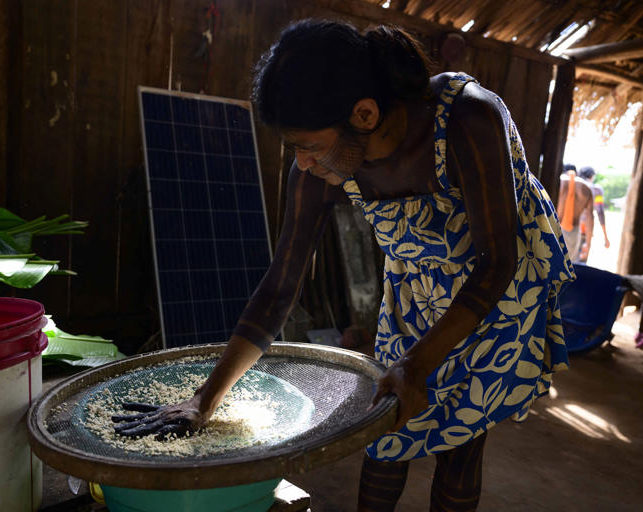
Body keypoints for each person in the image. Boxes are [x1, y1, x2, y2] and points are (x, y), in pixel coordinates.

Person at [114, 20, 575, 511]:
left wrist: (416, 365)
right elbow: (280, 287)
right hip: (417, 289)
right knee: (383, 434)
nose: (303, 163)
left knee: (460, 439)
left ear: (365, 114)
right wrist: (206, 398)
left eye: (309, 146)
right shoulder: (318, 167)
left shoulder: (467, 121)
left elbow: (496, 262)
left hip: (496, 290)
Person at [557, 163, 594, 262]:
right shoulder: (586, 188)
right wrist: (588, 243)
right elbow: (590, 217)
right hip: (572, 232)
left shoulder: (558, 182)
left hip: (552, 227)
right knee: (567, 266)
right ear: (576, 173)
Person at [576, 166, 611, 262]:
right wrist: (605, 236)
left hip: (567, 229)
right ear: (592, 176)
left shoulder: (573, 186)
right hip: (585, 230)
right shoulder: (596, 190)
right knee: (580, 264)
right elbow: (600, 211)